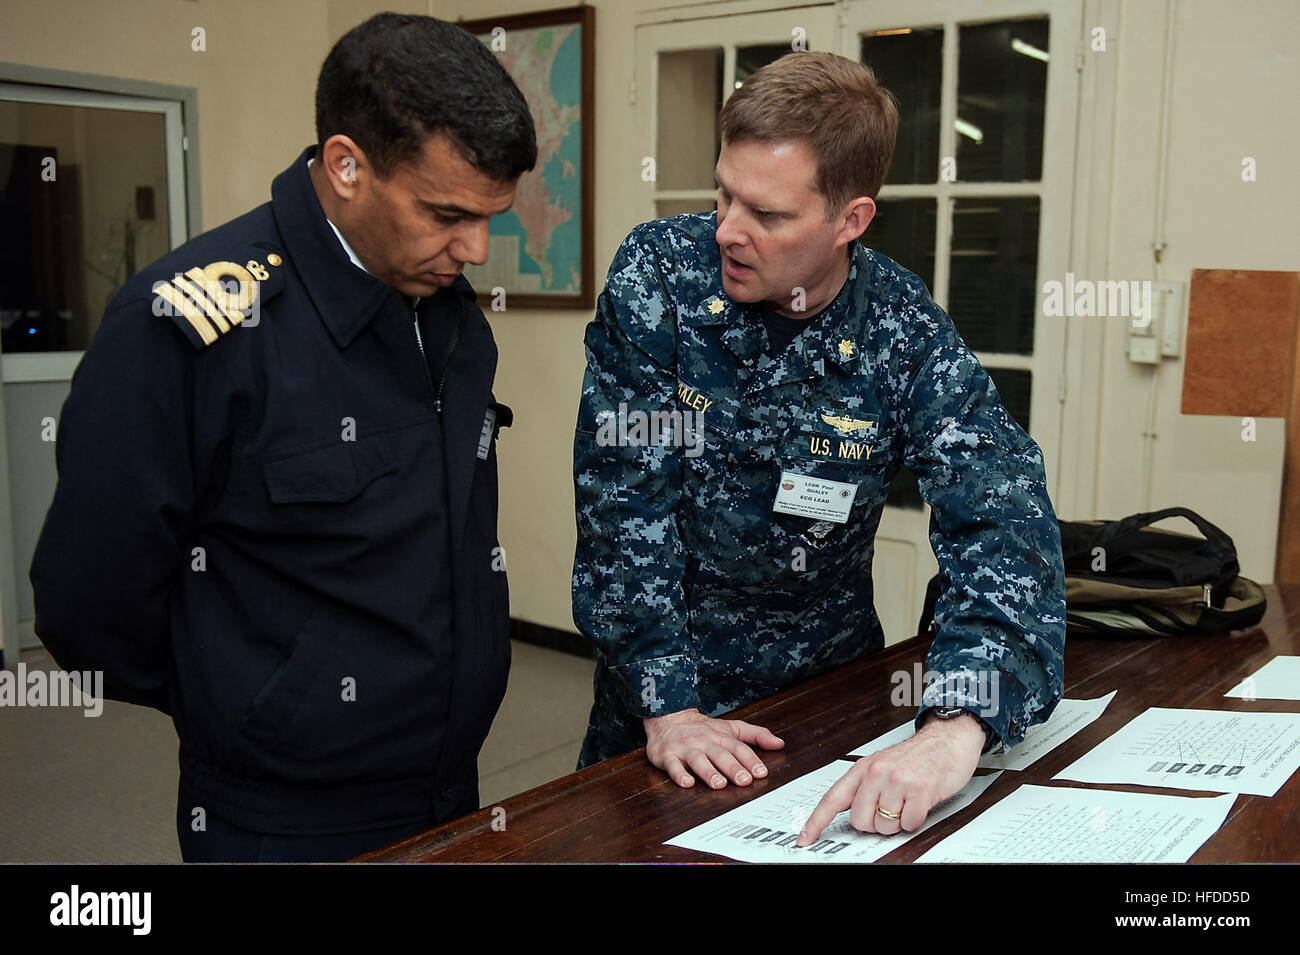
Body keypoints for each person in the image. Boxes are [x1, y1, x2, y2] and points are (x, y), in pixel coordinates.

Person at [29, 13, 537, 862]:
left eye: (490, 217)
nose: (476, 248)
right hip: (283, 822)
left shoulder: (440, 309)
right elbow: (88, 599)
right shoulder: (190, 328)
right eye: (447, 213)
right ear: (346, 166)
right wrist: (255, 701)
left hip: (451, 786)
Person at [571, 51, 1065, 845]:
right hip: (664, 719)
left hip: (831, 709)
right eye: (724, 192)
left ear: (851, 220)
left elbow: (1002, 517)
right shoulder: (659, 276)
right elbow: (623, 504)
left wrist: (957, 722)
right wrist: (668, 705)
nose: (728, 229)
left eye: (766, 214)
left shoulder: (900, 328)